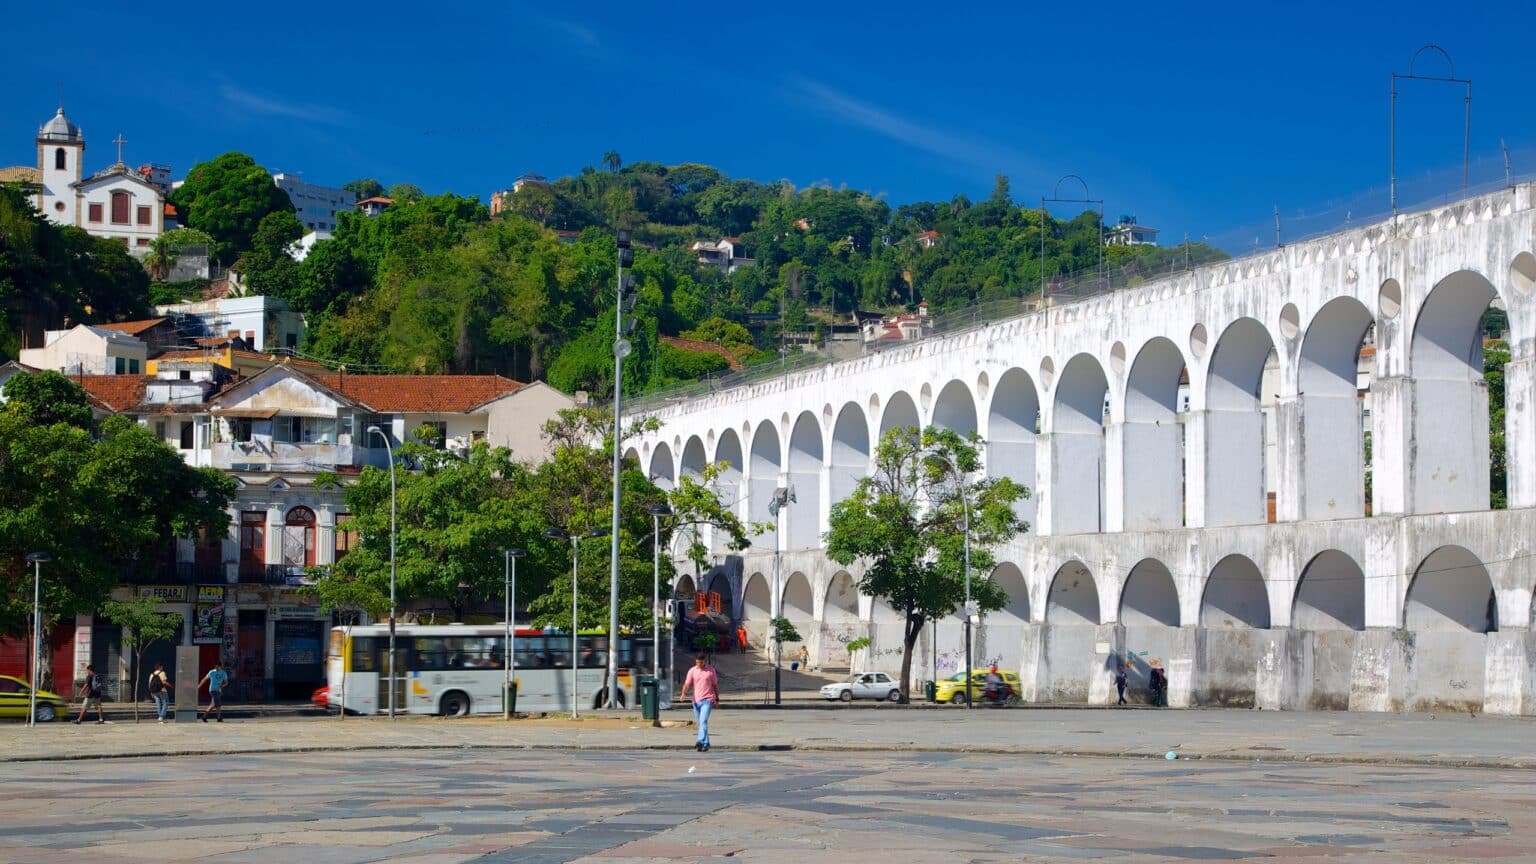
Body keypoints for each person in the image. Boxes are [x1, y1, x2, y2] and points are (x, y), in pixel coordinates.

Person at [679, 654, 718, 752]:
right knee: (700, 724)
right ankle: (706, 744)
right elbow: (687, 684)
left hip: (708, 699)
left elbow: (715, 685)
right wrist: (683, 693)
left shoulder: (711, 670)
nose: (699, 664)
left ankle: (700, 741)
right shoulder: (692, 670)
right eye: (697, 662)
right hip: (696, 701)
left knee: (703, 721)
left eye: (701, 662)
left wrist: (717, 697)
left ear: (705, 661)